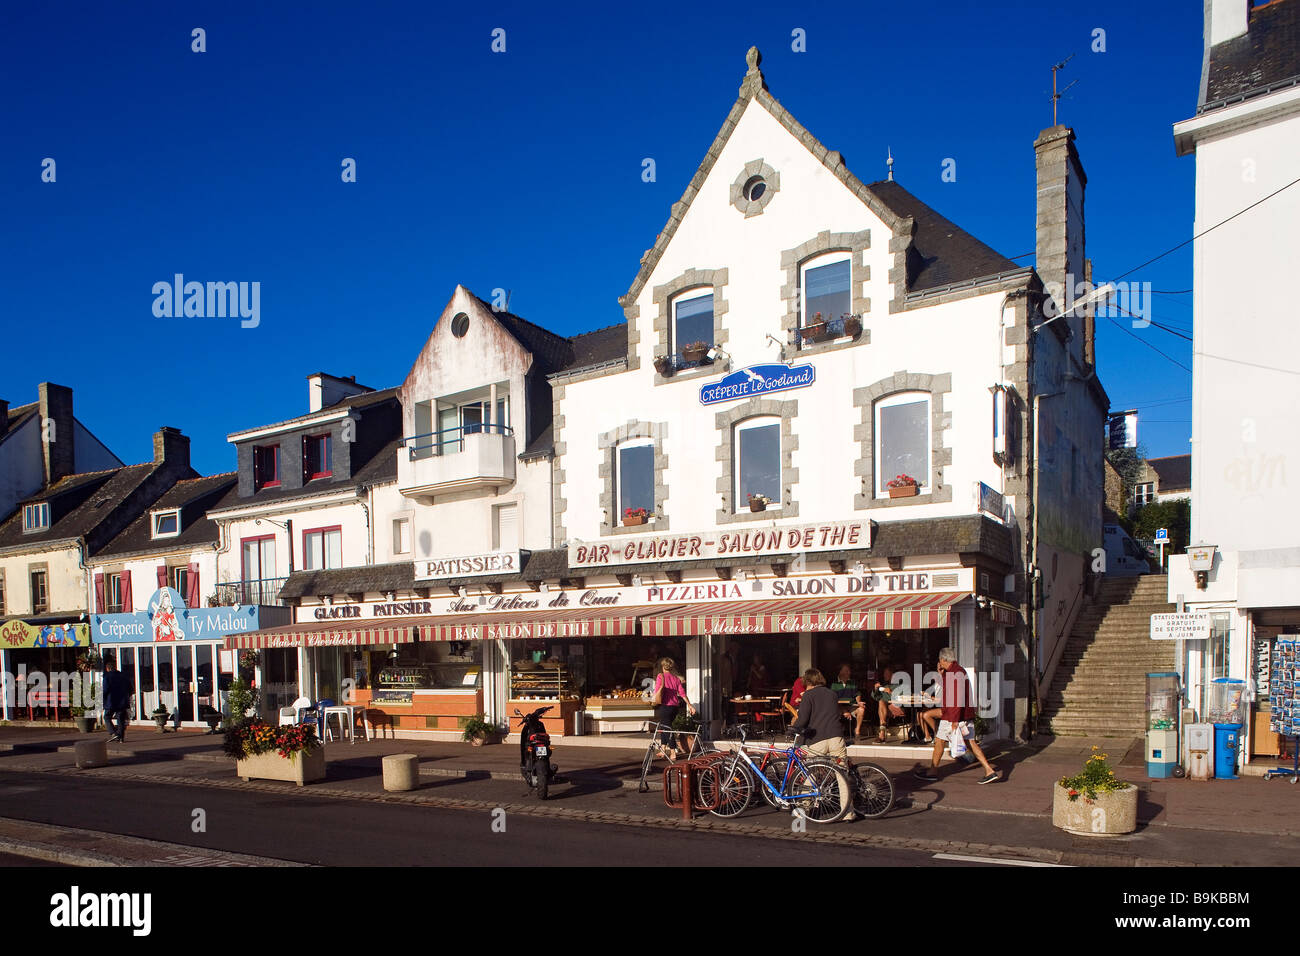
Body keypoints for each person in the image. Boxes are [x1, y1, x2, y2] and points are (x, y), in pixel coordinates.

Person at [914, 648, 999, 784]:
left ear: (943, 660)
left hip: (952, 716)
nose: (939, 662)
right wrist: (941, 675)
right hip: (964, 715)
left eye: (939, 660)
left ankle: (933, 771)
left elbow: (956, 699)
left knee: (939, 741)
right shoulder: (957, 671)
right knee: (970, 742)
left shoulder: (954, 674)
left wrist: (954, 720)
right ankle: (989, 770)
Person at [789, 669, 856, 821]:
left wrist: (793, 728)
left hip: (817, 740)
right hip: (836, 738)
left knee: (809, 772)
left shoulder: (808, 695)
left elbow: (803, 719)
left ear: (808, 682)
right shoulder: (832, 693)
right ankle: (848, 813)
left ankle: (805, 805)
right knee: (842, 775)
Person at [651, 657, 696, 759]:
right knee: (664, 726)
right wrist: (689, 705)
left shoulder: (660, 676)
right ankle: (663, 749)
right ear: (671, 667)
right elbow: (682, 693)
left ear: (663, 666)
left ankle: (672, 751)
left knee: (667, 729)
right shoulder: (676, 679)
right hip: (674, 707)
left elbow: (657, 690)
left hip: (665, 706)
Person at [831, 664, 866, 739]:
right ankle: (836, 733)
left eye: (849, 671)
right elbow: (833, 700)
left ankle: (857, 731)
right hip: (839, 707)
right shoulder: (834, 683)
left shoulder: (852, 682)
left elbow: (857, 694)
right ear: (840, 672)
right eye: (846, 671)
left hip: (851, 706)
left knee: (861, 710)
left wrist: (859, 702)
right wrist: (844, 711)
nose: (849, 672)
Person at [101, 656, 130, 743]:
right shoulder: (123, 675)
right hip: (122, 701)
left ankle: (114, 733)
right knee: (120, 719)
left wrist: (103, 699)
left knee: (106, 717)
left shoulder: (107, 677)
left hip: (111, 702)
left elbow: (105, 690)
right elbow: (130, 688)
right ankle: (121, 737)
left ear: (108, 668)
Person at [871, 666, 904, 742]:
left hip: (897, 709)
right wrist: (876, 689)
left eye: (886, 673)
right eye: (884, 674)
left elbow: (902, 700)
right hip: (887, 711)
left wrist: (891, 692)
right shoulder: (884, 687)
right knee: (881, 702)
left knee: (881, 704)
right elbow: (875, 697)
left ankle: (882, 732)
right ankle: (882, 729)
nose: (884, 675)